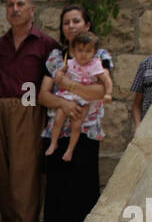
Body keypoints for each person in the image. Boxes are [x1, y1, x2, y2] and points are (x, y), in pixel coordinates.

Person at [38, 4, 114, 222]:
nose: (71, 26)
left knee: (83, 188)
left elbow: (101, 92)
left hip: (87, 130)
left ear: (87, 25)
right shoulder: (55, 57)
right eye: (66, 22)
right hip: (58, 131)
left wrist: (69, 85)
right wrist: (64, 103)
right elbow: (43, 95)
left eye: (76, 21)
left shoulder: (99, 56)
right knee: (59, 188)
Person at [0, 0, 56, 222]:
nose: (15, 9)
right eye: (10, 5)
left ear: (32, 10)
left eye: (21, 4)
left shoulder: (46, 44)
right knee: (4, 171)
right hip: (2, 106)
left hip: (29, 107)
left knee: (25, 172)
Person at [45, 30, 110, 163]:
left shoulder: (96, 65)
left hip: (84, 99)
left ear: (94, 52)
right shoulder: (70, 62)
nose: (83, 54)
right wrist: (58, 76)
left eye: (88, 51)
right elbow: (60, 73)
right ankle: (54, 142)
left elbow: (106, 80)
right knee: (58, 120)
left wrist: (108, 93)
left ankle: (70, 150)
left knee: (76, 125)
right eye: (80, 50)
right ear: (74, 51)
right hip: (67, 96)